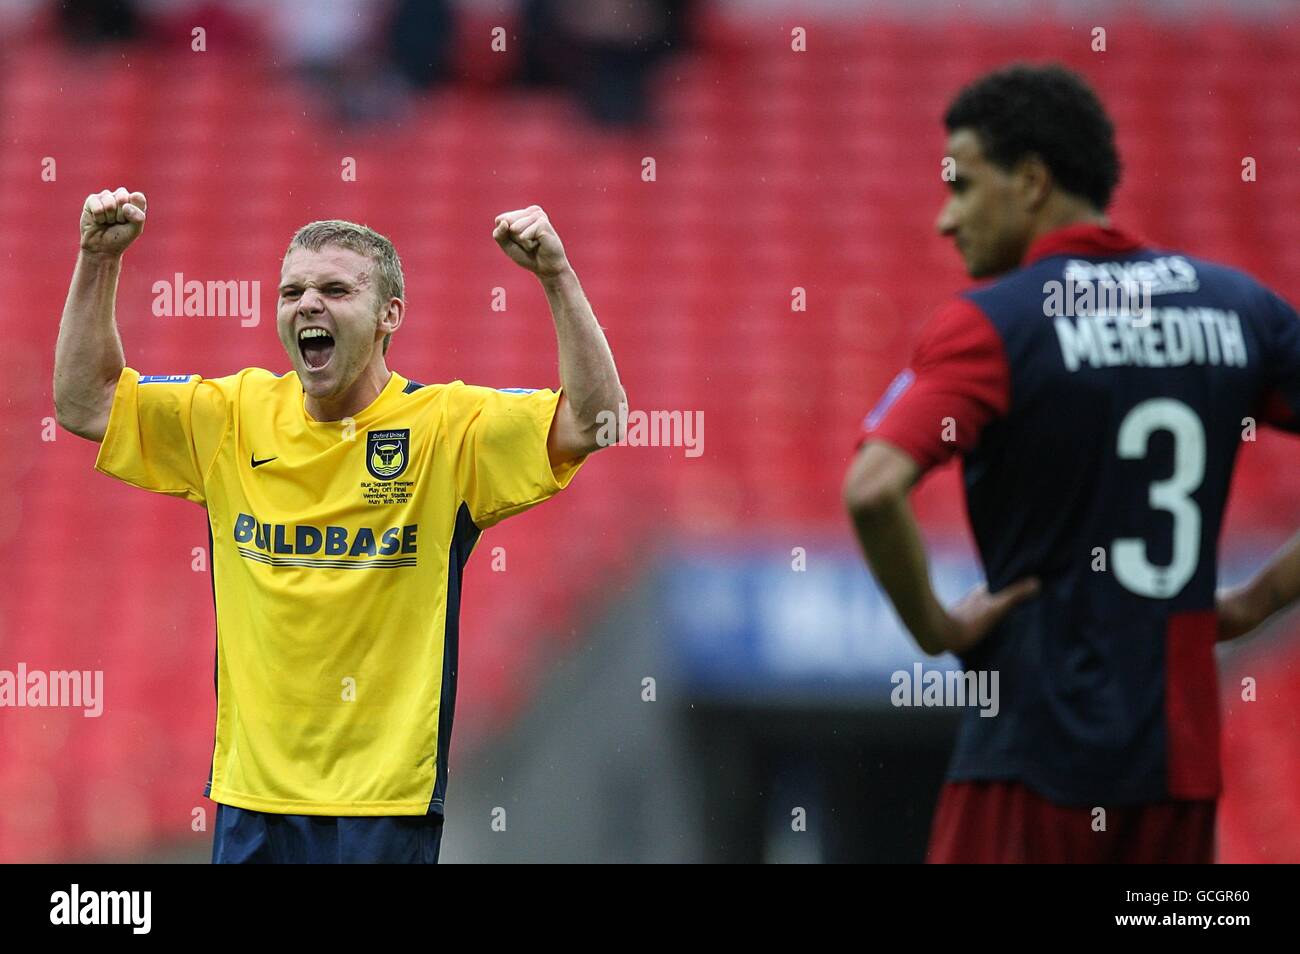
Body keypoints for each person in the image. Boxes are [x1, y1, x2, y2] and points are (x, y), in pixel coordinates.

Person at [54, 189, 625, 863]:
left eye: (333, 288)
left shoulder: (447, 429)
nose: (307, 304)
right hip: (254, 802)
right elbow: (84, 400)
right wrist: (97, 259)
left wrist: (556, 277)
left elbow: (598, 422)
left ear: (390, 315)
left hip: (383, 806)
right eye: (291, 290)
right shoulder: (232, 417)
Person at [842, 63, 1300, 863]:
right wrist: (1259, 599)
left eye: (962, 184)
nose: (946, 219)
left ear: (1029, 181)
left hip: (1032, 756)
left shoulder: (995, 326)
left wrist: (936, 627)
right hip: (1177, 766)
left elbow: (873, 490)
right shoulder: (1239, 307)